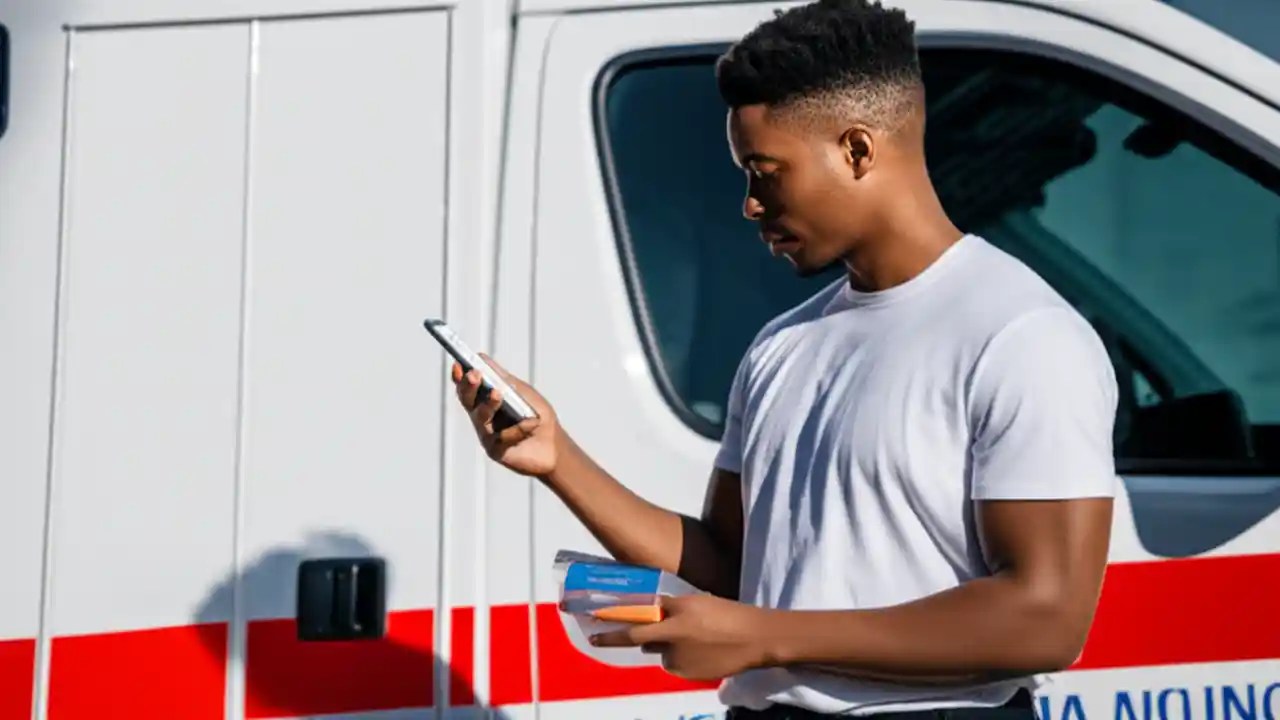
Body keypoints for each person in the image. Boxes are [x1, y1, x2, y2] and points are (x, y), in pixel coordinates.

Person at [449, 0, 1118, 717]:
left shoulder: (1022, 334)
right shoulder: (782, 345)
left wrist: (765, 636)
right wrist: (556, 458)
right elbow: (734, 568)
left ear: (857, 150)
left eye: (764, 172)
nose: (750, 204)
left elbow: (1047, 620)